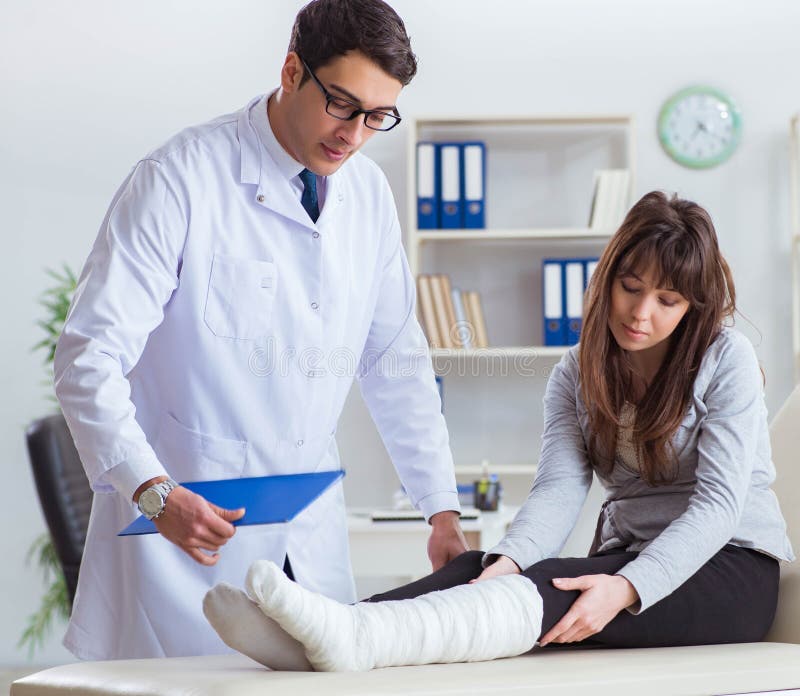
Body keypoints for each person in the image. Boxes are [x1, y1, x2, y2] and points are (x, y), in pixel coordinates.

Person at [203, 190, 795, 672]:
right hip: (634, 555)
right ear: (608, 278)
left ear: (692, 305)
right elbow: (559, 491)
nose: (641, 314)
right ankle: (317, 636)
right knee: (482, 567)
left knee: (549, 587)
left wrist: (628, 588)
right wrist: (508, 562)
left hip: (730, 567)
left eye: (667, 300)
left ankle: (352, 639)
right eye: (631, 289)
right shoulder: (577, 371)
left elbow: (718, 505)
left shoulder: (727, 358)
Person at [53, 0, 468, 661]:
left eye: (377, 117)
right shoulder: (179, 181)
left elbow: (397, 364)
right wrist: (154, 493)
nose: (355, 134)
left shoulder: (367, 197)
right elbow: (86, 360)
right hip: (182, 548)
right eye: (342, 104)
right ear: (292, 70)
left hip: (311, 547)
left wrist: (441, 511)